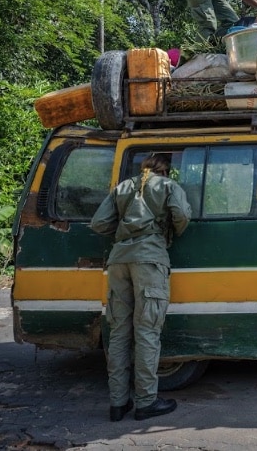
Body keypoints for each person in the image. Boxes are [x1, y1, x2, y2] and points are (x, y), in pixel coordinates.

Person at [91, 154, 192, 422]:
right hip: (149, 260)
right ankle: (146, 402)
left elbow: (99, 223)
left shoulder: (123, 187)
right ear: (166, 170)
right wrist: (168, 231)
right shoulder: (169, 186)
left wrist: (125, 233)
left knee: (119, 332)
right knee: (147, 331)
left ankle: (118, 403)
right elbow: (182, 215)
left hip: (118, 261)